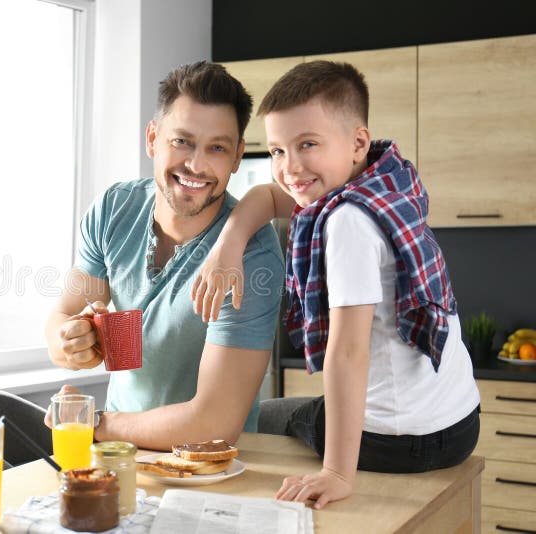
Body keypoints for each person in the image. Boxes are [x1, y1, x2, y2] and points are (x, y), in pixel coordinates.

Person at [191, 60, 480, 509]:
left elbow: (348, 351)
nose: (290, 168)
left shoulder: (346, 221)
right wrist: (227, 245)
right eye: (277, 151)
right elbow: (269, 196)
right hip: (460, 422)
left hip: (399, 440)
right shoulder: (386, 179)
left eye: (307, 144)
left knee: (252, 419)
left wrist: (338, 473)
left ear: (357, 141)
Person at [44, 61, 285, 451]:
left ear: (238, 156)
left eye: (217, 148)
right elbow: (63, 317)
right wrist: (69, 342)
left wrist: (94, 422)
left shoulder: (253, 253)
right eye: (182, 141)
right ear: (153, 138)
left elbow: (214, 424)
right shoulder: (113, 209)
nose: (196, 164)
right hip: (118, 457)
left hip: (208, 471)